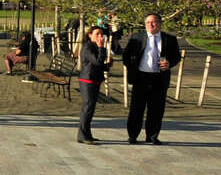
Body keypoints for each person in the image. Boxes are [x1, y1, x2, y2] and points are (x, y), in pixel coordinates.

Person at [119, 12, 181, 145]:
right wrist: (132, 67)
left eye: (154, 22)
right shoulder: (137, 37)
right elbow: (126, 56)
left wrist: (169, 63)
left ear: (159, 24)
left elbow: (176, 56)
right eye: (148, 22)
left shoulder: (169, 39)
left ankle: (152, 136)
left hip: (159, 78)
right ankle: (133, 136)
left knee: (156, 110)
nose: (150, 25)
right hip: (141, 77)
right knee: (136, 109)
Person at [77, 26, 110, 144]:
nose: (100, 37)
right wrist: (102, 48)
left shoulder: (96, 47)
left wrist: (107, 65)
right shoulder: (88, 47)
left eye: (102, 34)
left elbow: (99, 64)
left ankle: (87, 134)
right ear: (90, 35)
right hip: (88, 80)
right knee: (88, 107)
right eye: (97, 34)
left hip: (95, 79)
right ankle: (82, 134)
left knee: (91, 108)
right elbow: (97, 61)